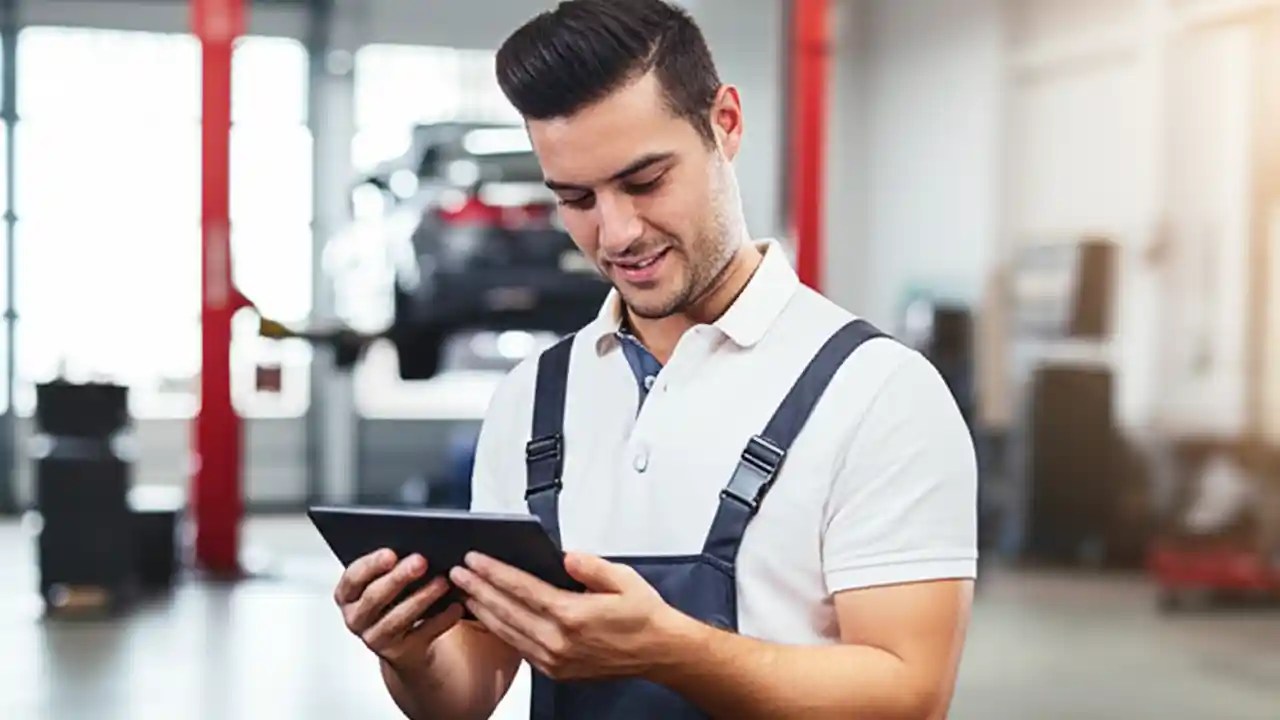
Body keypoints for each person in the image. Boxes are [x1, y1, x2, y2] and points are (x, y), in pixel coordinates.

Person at [332, 1, 978, 718]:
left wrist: (670, 650)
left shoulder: (878, 394)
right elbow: (468, 694)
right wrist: (408, 652)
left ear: (724, 124)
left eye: (644, 182)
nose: (616, 234)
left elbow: (910, 698)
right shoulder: (533, 399)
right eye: (575, 198)